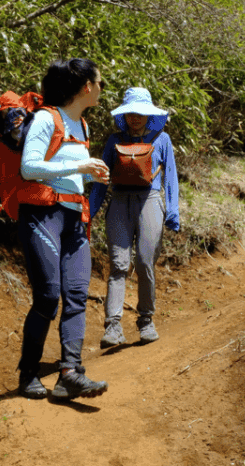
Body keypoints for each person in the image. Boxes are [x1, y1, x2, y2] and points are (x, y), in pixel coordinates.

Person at [16, 58, 110, 400]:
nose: (101, 88)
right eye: (99, 83)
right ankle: (28, 373)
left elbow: (69, 171)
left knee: (76, 294)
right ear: (86, 86)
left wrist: (89, 174)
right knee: (48, 295)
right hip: (44, 214)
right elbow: (29, 168)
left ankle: (70, 373)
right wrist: (81, 164)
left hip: (74, 218)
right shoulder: (46, 118)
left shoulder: (82, 125)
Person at [89, 88, 180, 348]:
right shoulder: (113, 140)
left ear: (149, 114)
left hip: (150, 201)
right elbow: (101, 180)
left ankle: (146, 319)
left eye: (140, 112)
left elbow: (171, 177)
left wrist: (173, 212)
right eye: (130, 113)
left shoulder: (161, 139)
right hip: (118, 202)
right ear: (124, 114)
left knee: (144, 262)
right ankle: (113, 326)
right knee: (118, 264)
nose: (135, 117)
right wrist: (89, 211)